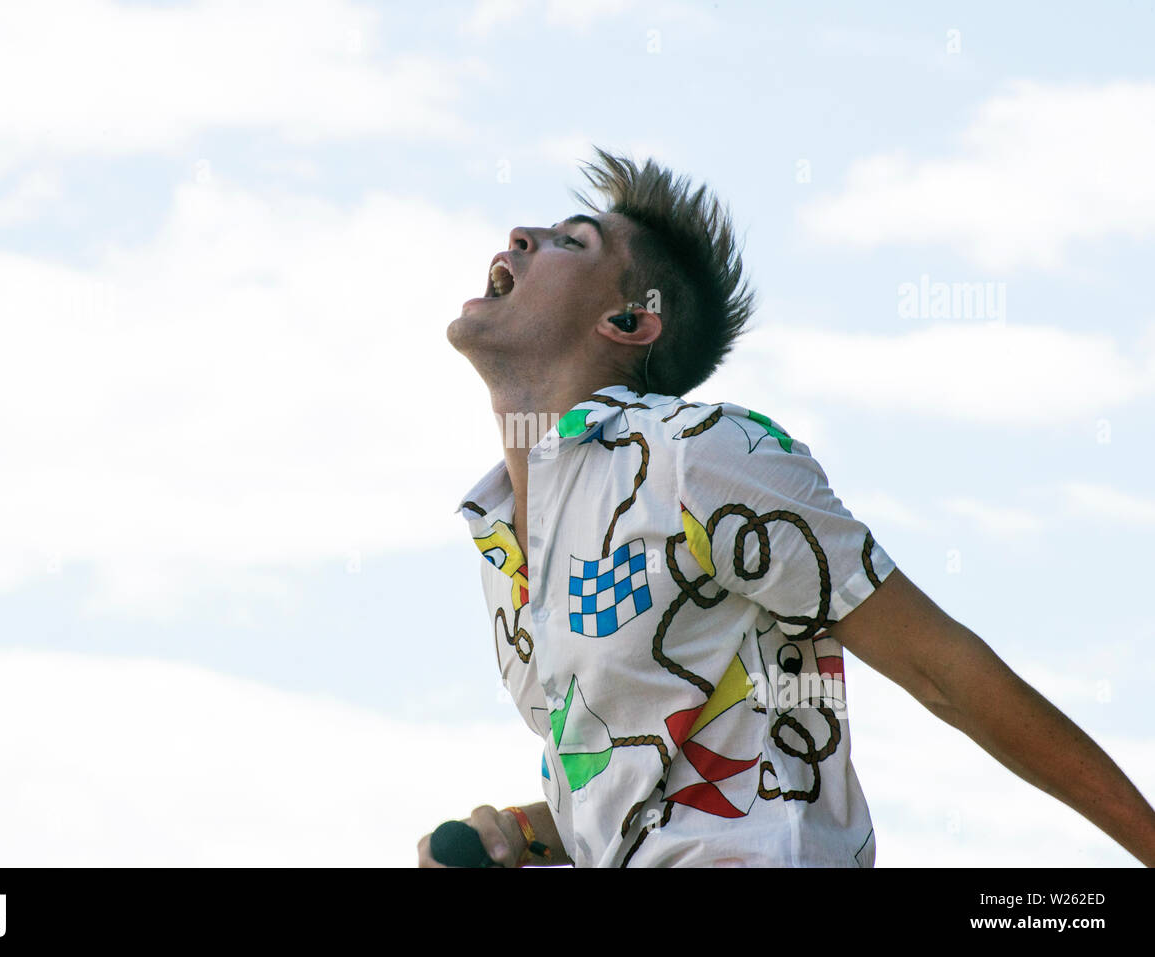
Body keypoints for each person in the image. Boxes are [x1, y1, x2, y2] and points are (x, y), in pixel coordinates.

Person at [419, 146, 1155, 868]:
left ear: (629, 322)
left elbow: (943, 670)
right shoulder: (503, 537)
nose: (521, 235)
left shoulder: (696, 453)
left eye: (570, 240)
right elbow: (634, 798)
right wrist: (518, 831)